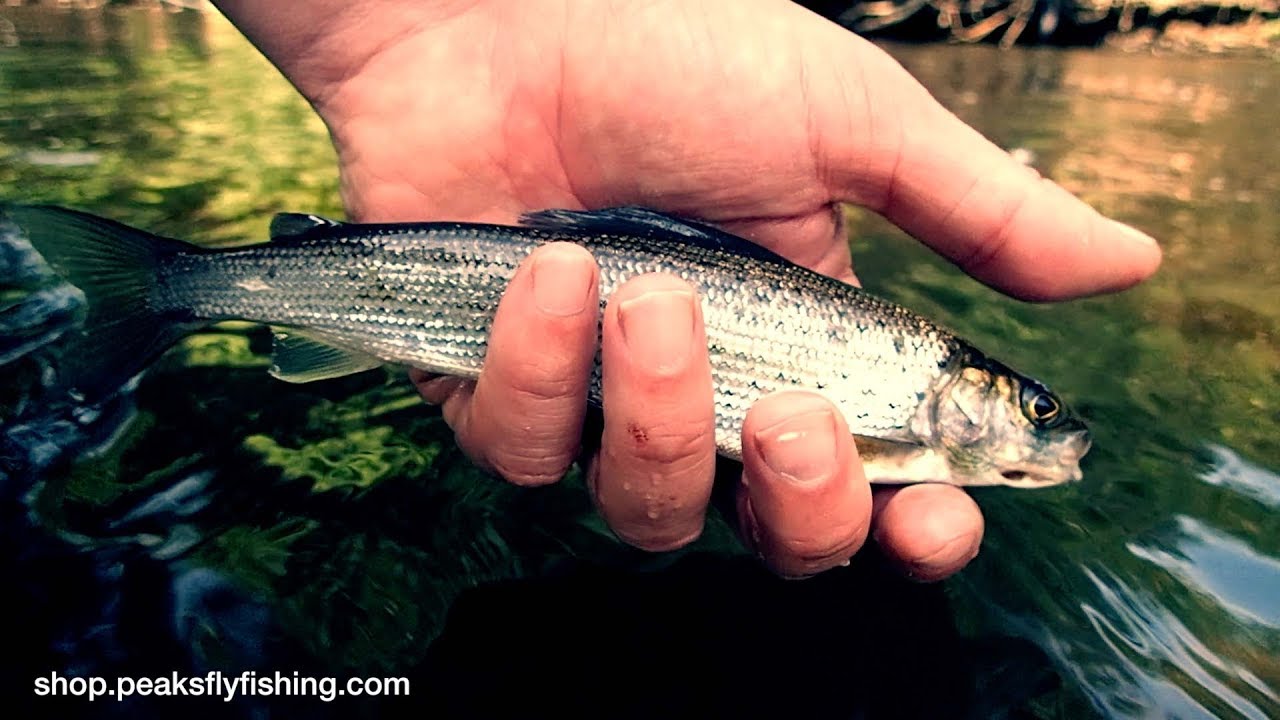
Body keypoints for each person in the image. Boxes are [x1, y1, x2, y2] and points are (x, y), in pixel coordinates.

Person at [211, 0, 1160, 581]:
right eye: (1037, 410)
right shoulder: (918, 397)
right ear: (975, 397)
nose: (1050, 428)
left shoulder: (925, 404)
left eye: (1041, 412)